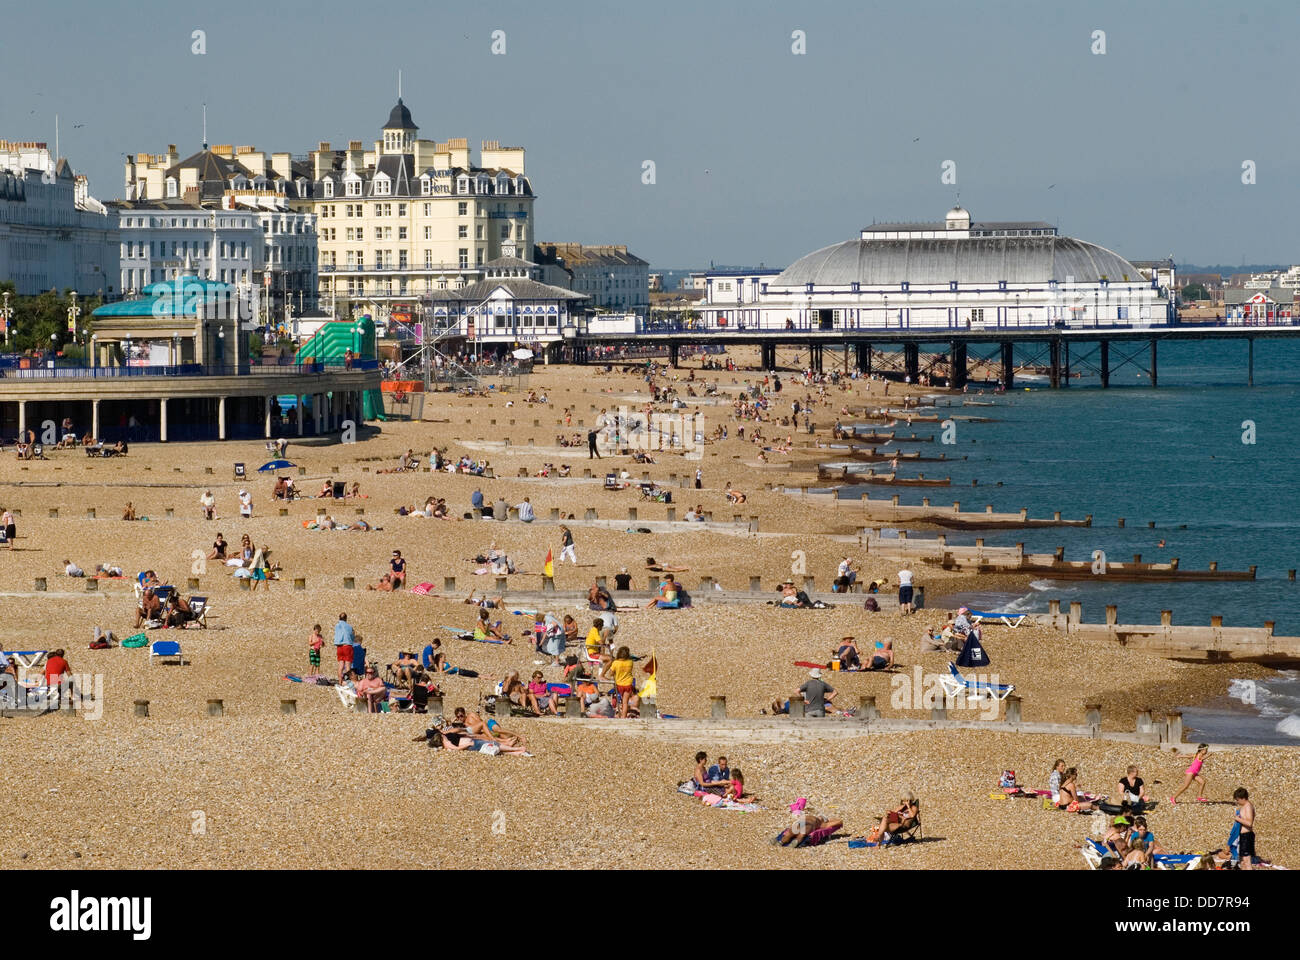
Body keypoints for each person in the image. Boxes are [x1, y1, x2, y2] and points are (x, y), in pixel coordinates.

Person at [773, 798, 842, 848]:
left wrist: (828, 820)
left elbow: (839, 821)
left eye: (822, 817)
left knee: (800, 833)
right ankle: (781, 841)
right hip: (802, 822)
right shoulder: (818, 821)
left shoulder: (822, 824)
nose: (820, 816)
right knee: (792, 832)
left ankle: (785, 842)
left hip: (805, 823)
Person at [604, 646, 637, 718]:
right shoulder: (630, 662)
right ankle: (623, 717)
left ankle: (618, 714)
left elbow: (610, 674)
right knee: (625, 703)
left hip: (619, 684)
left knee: (620, 701)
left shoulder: (616, 663)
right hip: (628, 684)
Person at [1231, 787, 1256, 870]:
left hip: (1247, 836)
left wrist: (1238, 819)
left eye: (1238, 800)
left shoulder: (1248, 806)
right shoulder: (1245, 806)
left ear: (1242, 798)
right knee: (1242, 861)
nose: (1237, 802)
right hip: (1243, 836)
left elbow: (1249, 823)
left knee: (1246, 860)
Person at [334, 613, 355, 684]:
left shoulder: (337, 626)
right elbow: (352, 636)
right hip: (347, 646)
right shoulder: (349, 627)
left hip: (339, 647)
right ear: (346, 618)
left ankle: (340, 681)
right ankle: (348, 682)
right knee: (347, 665)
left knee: (341, 664)